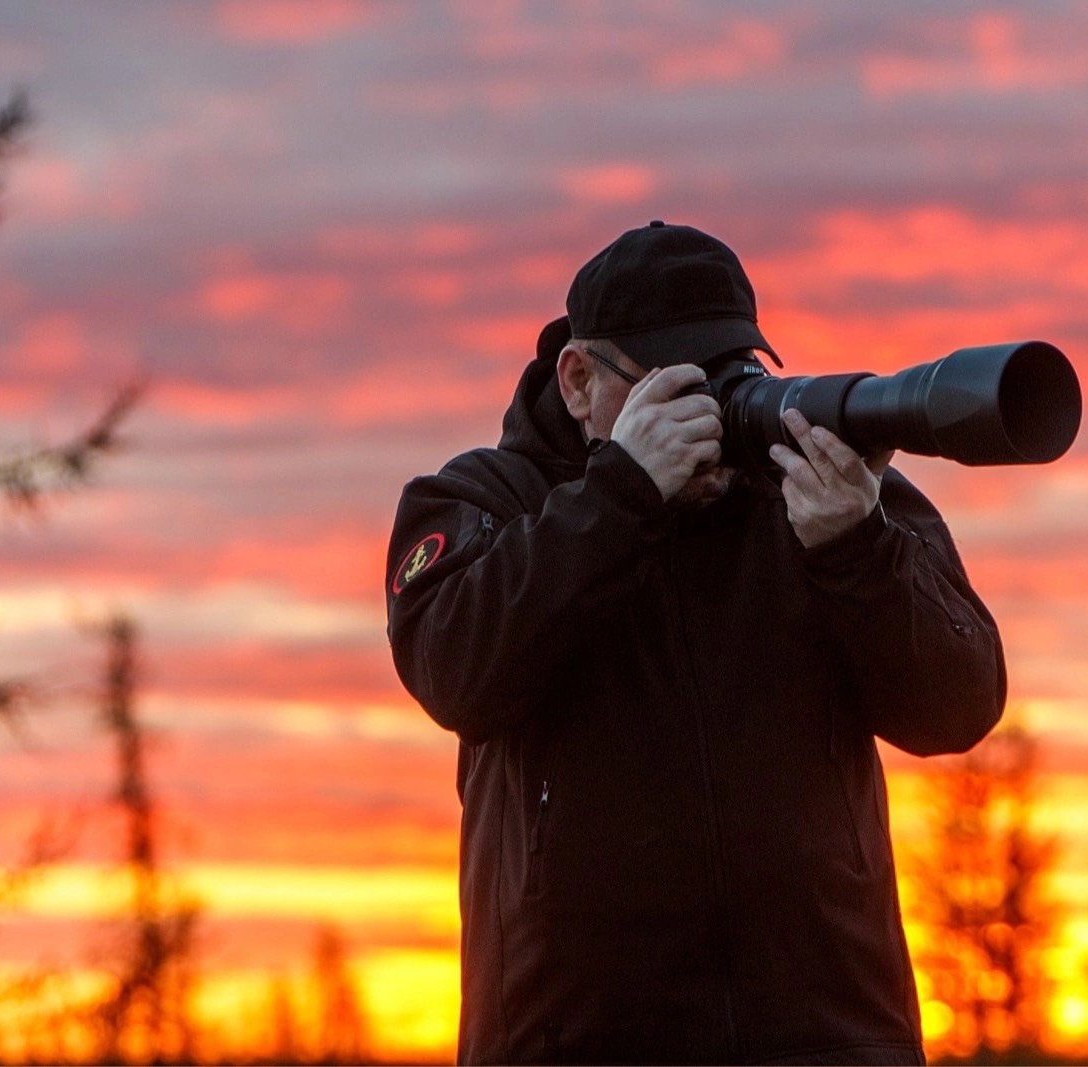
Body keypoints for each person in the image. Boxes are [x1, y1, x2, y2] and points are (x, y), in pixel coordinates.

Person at [385, 221, 1006, 1065]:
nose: (719, 406)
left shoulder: (827, 495)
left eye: (734, 372)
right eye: (684, 383)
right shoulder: (482, 500)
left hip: (828, 1039)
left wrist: (859, 551)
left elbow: (961, 705)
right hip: (572, 1041)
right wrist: (623, 496)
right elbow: (457, 670)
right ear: (578, 381)